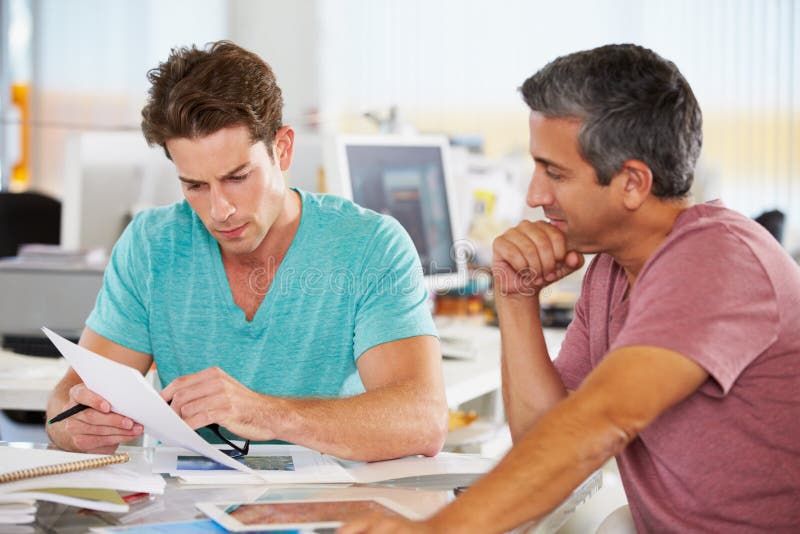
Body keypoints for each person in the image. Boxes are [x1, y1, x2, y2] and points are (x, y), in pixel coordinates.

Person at [341, 44, 800, 532]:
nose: (535, 195)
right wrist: (515, 295)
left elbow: (599, 420)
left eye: (555, 173)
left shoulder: (717, 260)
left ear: (632, 183)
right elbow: (544, 439)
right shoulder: (612, 270)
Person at [46, 41, 448, 462]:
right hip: (188, 496)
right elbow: (63, 403)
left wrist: (267, 415)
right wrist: (74, 427)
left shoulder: (369, 245)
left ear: (283, 149)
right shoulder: (150, 245)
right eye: (195, 185)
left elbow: (423, 420)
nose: (219, 211)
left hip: (331, 497)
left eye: (237, 177)